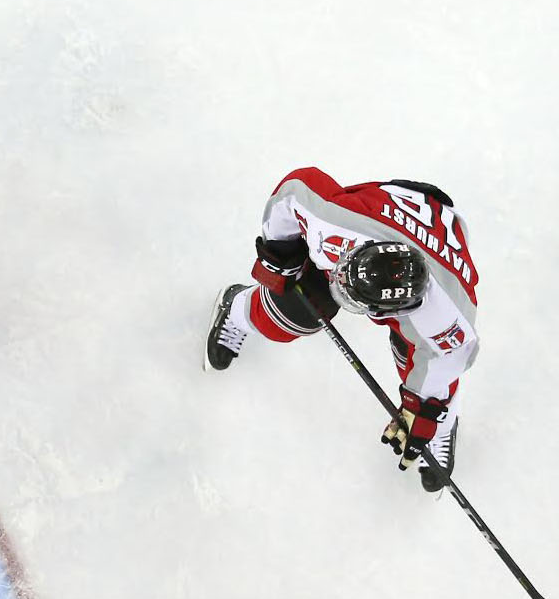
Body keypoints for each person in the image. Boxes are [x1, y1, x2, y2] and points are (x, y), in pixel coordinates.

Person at [203, 168, 480, 491]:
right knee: (292, 310)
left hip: (442, 239)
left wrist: (425, 412)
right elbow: (293, 191)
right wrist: (281, 256)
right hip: (379, 213)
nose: (339, 289)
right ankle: (235, 309)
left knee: (421, 362)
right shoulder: (336, 225)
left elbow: (448, 359)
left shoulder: (445, 317)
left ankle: (446, 424)